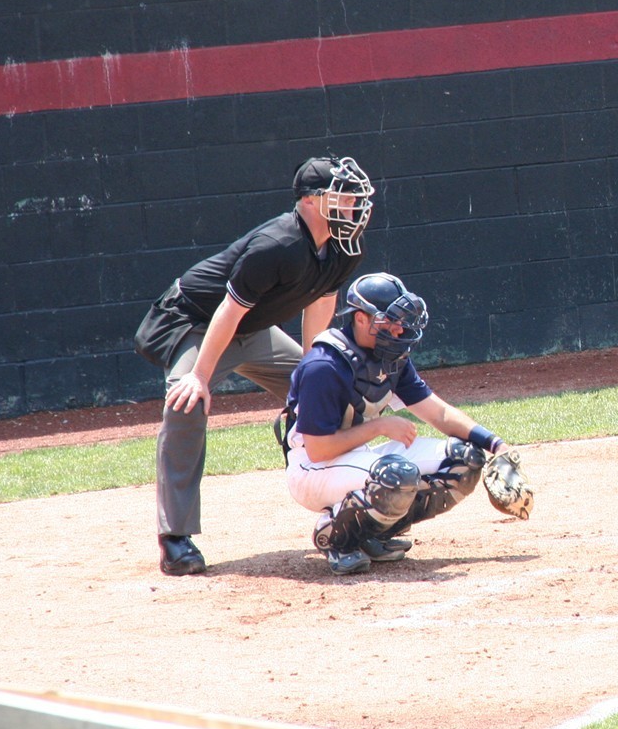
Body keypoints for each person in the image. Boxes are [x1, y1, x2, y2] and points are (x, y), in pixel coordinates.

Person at [134, 156, 374, 575]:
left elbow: (320, 304)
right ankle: (175, 538)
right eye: (343, 196)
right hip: (195, 322)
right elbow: (227, 310)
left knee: (336, 394)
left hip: (255, 328)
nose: (354, 205)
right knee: (186, 402)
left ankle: (354, 514)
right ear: (312, 202)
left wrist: (315, 371)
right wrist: (200, 376)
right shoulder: (278, 245)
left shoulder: (343, 247)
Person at [279, 272, 514, 575]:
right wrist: (378, 427)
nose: (399, 328)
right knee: (397, 476)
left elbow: (438, 414)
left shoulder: (390, 357)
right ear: (361, 318)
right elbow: (319, 449)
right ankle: (336, 536)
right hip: (311, 469)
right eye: (389, 320)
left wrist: (497, 444)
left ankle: (371, 533)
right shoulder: (324, 366)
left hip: (353, 458)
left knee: (464, 460)